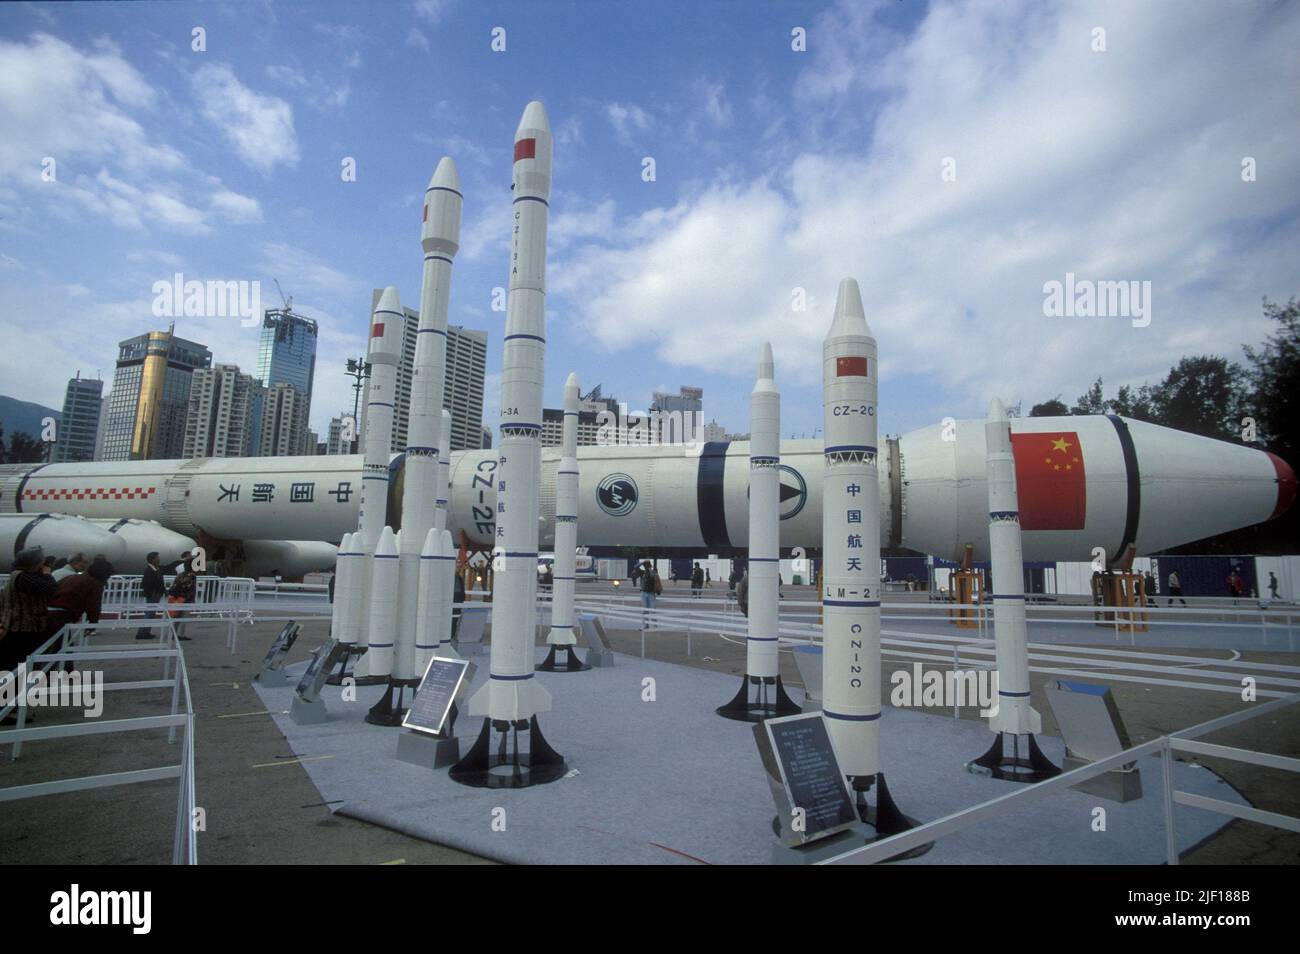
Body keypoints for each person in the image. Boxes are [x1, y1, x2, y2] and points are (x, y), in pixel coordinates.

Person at [0, 547, 59, 678]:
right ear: (35, 562)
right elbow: (51, 588)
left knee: (13, 662)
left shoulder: (19, 575)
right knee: (15, 663)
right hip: (22, 627)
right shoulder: (23, 577)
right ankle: (12, 692)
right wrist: (47, 573)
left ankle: (13, 690)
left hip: (18, 626)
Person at [136, 552, 167, 639]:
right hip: (153, 594)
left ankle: (146, 631)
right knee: (149, 613)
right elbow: (149, 583)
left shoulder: (154, 569)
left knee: (151, 613)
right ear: (153, 559)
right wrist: (156, 591)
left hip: (154, 593)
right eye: (157, 557)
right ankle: (142, 633)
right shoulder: (150, 570)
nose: (159, 559)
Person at [167, 559, 197, 641]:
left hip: (177, 598)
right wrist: (191, 599)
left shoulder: (180, 575)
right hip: (185, 599)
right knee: (183, 618)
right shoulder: (192, 576)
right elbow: (190, 589)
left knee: (176, 617)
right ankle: (181, 634)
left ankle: (173, 633)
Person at [638, 560, 660, 628]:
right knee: (645, 609)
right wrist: (641, 563)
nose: (646, 567)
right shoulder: (643, 572)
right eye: (645, 566)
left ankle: (655, 625)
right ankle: (646, 625)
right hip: (643, 593)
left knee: (653, 609)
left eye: (647, 565)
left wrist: (650, 569)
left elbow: (653, 577)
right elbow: (635, 567)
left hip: (651, 593)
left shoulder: (653, 572)